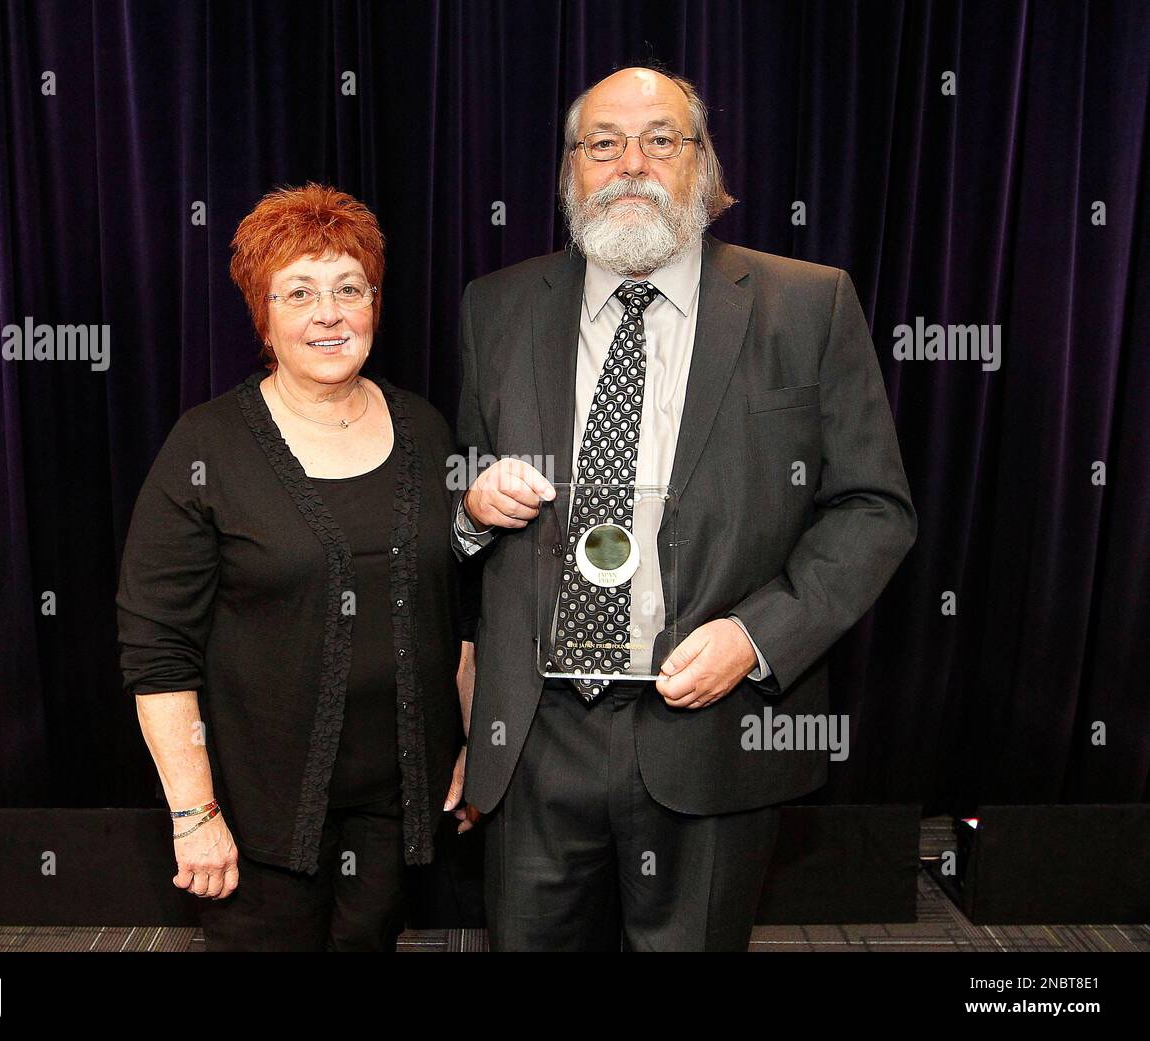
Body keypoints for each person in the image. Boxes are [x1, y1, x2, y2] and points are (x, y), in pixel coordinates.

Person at [452, 67, 917, 951]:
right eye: (604, 144)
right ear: (570, 170)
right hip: (536, 739)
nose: (632, 164)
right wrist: (471, 504)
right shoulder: (497, 307)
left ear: (700, 161)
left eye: (660, 140)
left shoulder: (807, 304)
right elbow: (458, 488)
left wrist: (756, 637)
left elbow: (872, 508)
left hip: (709, 733)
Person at [116, 183, 472, 951]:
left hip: (397, 807)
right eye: (299, 292)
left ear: (375, 303)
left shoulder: (425, 426)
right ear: (263, 316)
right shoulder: (206, 445)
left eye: (350, 288)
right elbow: (157, 650)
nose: (329, 313)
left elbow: (461, 608)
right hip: (257, 816)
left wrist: (475, 744)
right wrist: (194, 813)